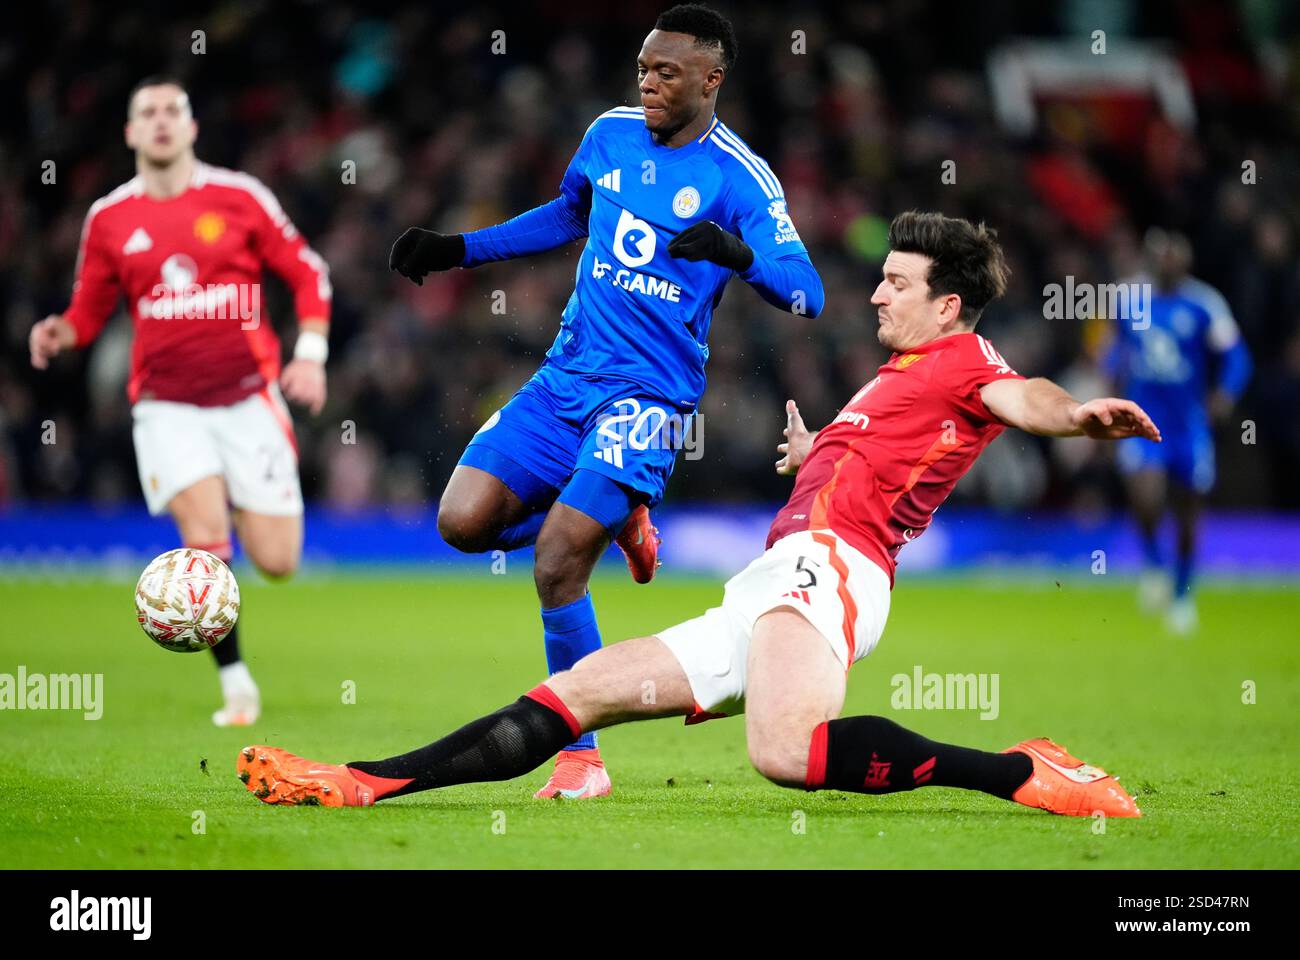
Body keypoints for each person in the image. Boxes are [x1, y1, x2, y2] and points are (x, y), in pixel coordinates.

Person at [237, 212, 1155, 818]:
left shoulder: (967, 362)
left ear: (946, 305)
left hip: (830, 572)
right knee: (581, 691)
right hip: (772, 578)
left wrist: (1073, 414)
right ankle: (363, 783)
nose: (876, 292)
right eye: (880, 278)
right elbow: (883, 463)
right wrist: (817, 454)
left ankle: (1025, 773)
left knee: (785, 754)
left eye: (896, 283)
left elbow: (1021, 396)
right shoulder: (901, 381)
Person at [388, 4, 824, 797]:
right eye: (643, 69)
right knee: (461, 523)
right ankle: (617, 516)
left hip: (648, 400)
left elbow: (809, 296)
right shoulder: (610, 134)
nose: (648, 84)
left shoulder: (740, 176)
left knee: (557, 563)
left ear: (711, 79)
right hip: (565, 378)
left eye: (666, 73)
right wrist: (459, 250)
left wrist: (741, 254)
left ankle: (580, 760)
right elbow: (567, 215)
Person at [29, 77, 332, 726]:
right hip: (166, 406)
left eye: (174, 111)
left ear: (192, 128)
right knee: (205, 539)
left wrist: (309, 354)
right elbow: (89, 308)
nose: (162, 121)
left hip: (250, 400)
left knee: (278, 562)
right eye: (148, 113)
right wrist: (63, 331)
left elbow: (309, 273)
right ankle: (237, 684)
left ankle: (245, 532)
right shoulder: (111, 218)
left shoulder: (240, 197)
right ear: (131, 133)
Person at [1110, 228, 1252, 634]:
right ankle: (1154, 562)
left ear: (1186, 261)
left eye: (1175, 255)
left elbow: (1237, 358)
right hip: (1142, 420)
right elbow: (1113, 355)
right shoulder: (1127, 299)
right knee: (1146, 498)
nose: (1168, 262)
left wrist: (1224, 395)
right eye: (1161, 255)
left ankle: (1182, 594)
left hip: (1189, 424)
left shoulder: (1206, 303)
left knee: (1189, 513)